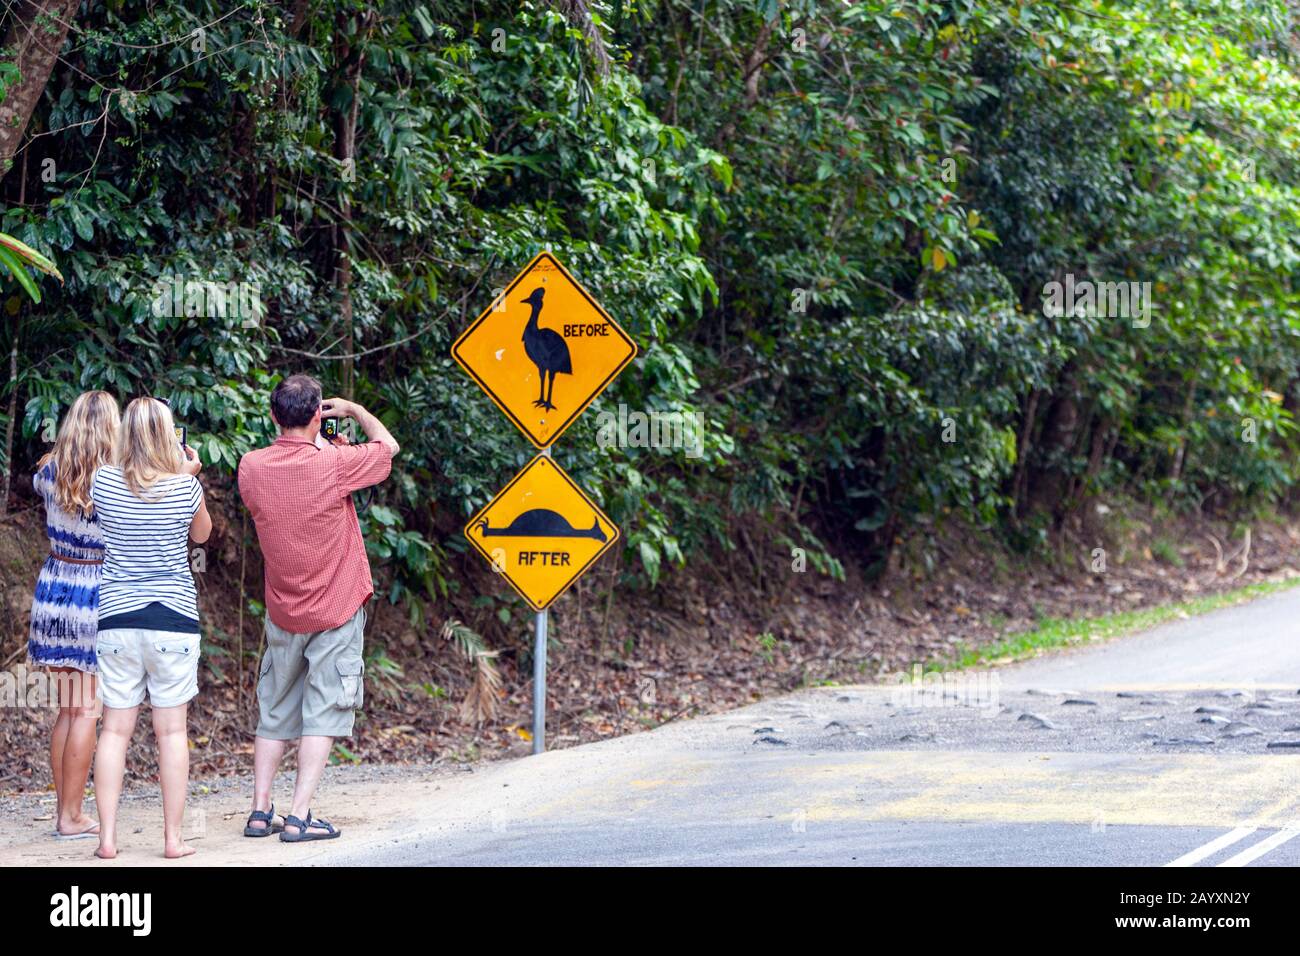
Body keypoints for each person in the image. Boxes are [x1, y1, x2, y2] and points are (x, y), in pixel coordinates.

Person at [237, 374, 398, 842]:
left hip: (284, 609)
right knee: (323, 711)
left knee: (275, 710)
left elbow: (286, 487)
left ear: (273, 416)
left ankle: (260, 811)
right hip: (335, 608)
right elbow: (387, 447)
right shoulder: (336, 466)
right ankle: (300, 816)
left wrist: (324, 451)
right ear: (315, 417)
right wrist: (351, 410)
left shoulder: (250, 467)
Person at [90, 397, 211, 860]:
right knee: (171, 734)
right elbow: (201, 535)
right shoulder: (185, 489)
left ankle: (106, 841)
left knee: (114, 732)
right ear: (167, 436)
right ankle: (173, 841)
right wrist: (187, 478)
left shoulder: (103, 482)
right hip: (172, 621)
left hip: (117, 620)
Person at [28, 390, 120, 840]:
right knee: (87, 710)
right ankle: (70, 816)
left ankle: (64, 811)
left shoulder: (48, 471)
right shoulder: (114, 481)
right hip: (94, 593)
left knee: (67, 709)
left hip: (54, 590)